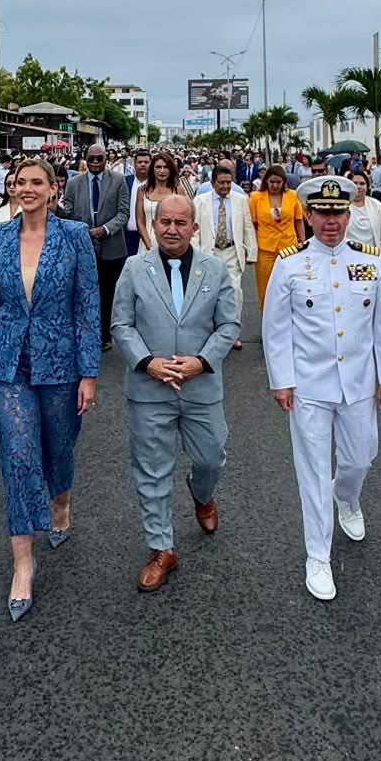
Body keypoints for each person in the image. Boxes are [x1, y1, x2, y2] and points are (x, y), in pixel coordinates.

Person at [262, 174, 381, 602]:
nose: (331, 221)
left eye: (338, 212)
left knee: (362, 456)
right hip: (309, 384)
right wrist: (281, 380)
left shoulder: (371, 263)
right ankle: (318, 555)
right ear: (308, 214)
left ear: (349, 214)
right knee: (311, 472)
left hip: (359, 381)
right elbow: (275, 329)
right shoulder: (289, 264)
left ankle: (348, 496)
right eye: (322, 213)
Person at [0, 156, 100, 621]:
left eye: (35, 182)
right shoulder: (1, 236)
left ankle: (61, 497)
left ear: (53, 189)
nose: (25, 188)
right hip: (8, 361)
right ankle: (23, 561)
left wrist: (89, 373)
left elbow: (88, 306)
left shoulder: (73, 237)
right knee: (19, 451)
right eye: (19, 182)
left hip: (61, 361)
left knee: (60, 446)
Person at [112, 192, 240, 589]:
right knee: (152, 470)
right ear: (154, 225)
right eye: (164, 222)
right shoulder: (134, 268)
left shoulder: (214, 269)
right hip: (149, 387)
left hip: (200, 385)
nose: (171, 229)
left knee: (212, 457)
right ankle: (161, 548)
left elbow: (229, 326)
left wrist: (202, 361)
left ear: (193, 228)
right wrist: (146, 362)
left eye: (180, 223)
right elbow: (121, 325)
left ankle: (201, 493)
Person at [56, 140, 130, 350]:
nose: (95, 162)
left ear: (106, 159)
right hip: (83, 245)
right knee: (83, 292)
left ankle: (104, 335)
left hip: (112, 247)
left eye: (100, 158)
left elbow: (123, 213)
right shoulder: (74, 183)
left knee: (107, 294)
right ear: (85, 160)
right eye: (91, 159)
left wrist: (104, 229)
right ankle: (85, 333)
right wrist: (82, 230)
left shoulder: (118, 180)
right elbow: (67, 211)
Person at [191, 160, 256, 348]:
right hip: (208, 254)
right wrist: (196, 254)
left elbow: (247, 227)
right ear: (213, 183)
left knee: (234, 293)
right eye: (222, 183)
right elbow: (194, 231)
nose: (226, 186)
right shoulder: (200, 201)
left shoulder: (240, 200)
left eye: (229, 182)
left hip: (231, 252)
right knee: (208, 294)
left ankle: (232, 333)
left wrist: (251, 252)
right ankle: (210, 331)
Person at [248, 165, 305, 313]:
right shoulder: (255, 197)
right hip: (265, 250)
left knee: (289, 286)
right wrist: (251, 247)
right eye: (271, 182)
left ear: (284, 182)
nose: (274, 185)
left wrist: (303, 243)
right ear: (266, 181)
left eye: (278, 182)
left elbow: (298, 221)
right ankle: (267, 324)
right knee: (265, 289)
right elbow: (253, 224)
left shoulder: (293, 195)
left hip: (289, 248)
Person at [133, 149, 186, 252]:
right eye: (158, 167)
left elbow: (184, 218)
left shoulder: (178, 189)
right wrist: (149, 246)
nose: (162, 171)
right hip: (147, 245)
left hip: (172, 244)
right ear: (152, 169)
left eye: (166, 167)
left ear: (171, 169)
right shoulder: (142, 190)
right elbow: (140, 221)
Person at [346, 169, 381, 261]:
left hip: (373, 258)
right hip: (348, 258)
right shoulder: (341, 207)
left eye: (362, 184)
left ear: (368, 186)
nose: (358, 186)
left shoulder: (377, 205)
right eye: (355, 183)